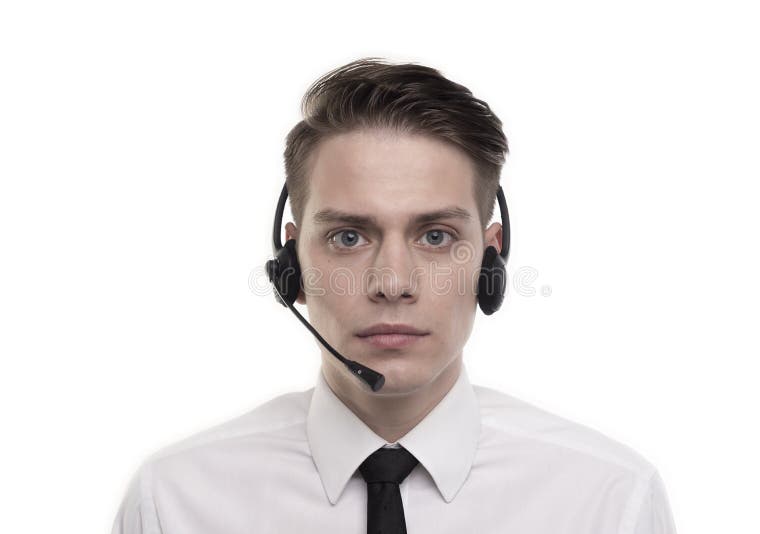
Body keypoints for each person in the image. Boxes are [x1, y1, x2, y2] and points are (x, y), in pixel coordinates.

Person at [111, 57, 677, 534]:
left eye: (435, 237)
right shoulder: (173, 501)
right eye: (348, 237)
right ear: (292, 267)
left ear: (490, 258)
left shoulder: (611, 500)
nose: (392, 283)